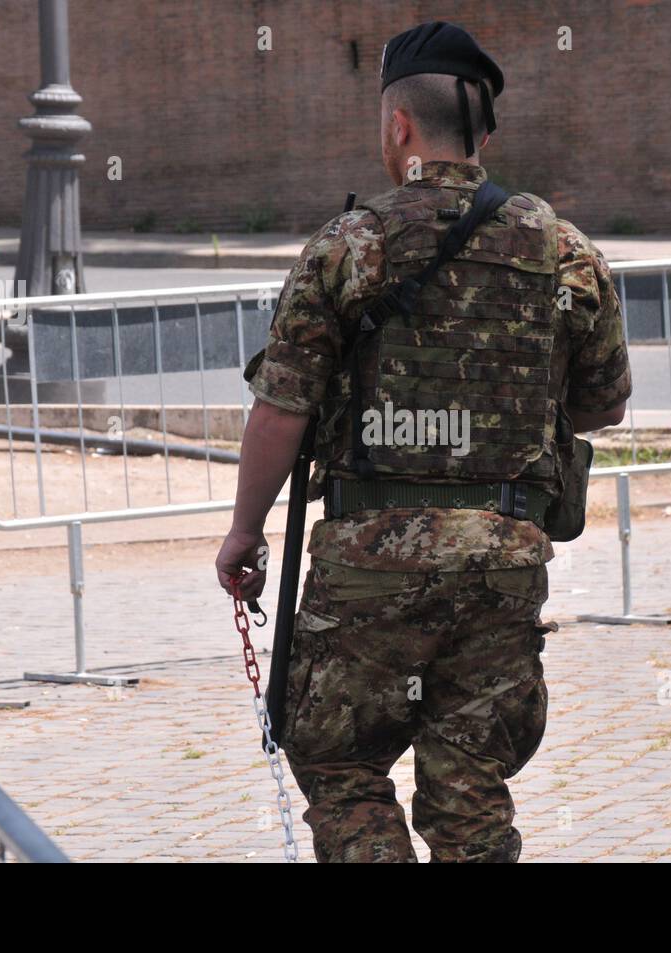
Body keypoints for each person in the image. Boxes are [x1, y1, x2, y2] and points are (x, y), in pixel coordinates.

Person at [215, 20, 630, 863]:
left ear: (398, 126)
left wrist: (244, 530)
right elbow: (602, 403)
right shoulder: (564, 250)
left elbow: (280, 411)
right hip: (503, 563)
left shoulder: (347, 247)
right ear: (485, 135)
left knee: (336, 755)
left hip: (369, 564)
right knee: (471, 781)